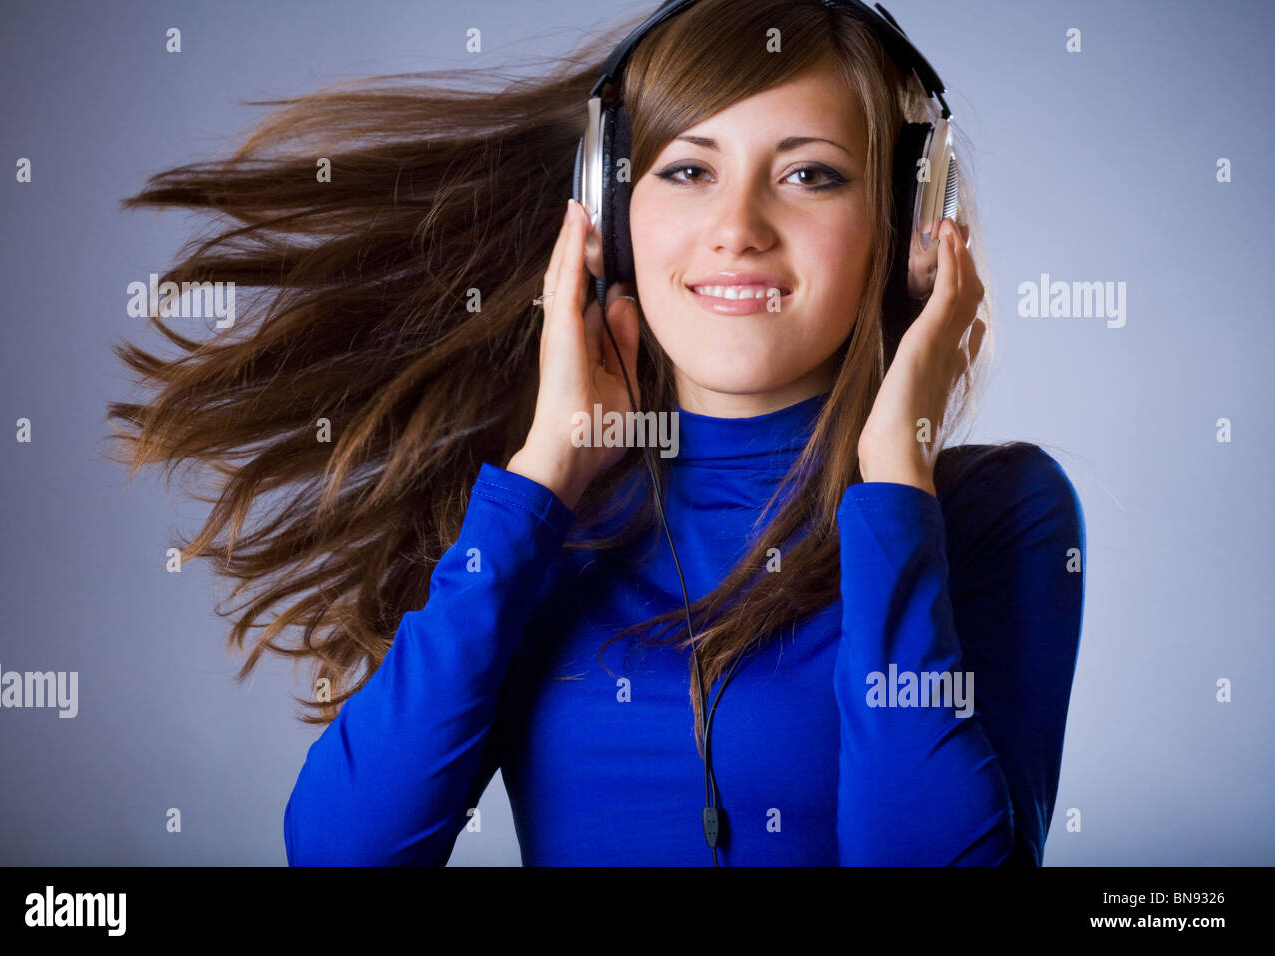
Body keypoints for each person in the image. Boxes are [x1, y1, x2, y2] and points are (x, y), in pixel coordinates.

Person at [106, 0, 1085, 866]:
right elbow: (341, 851)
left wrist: (893, 475)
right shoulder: (543, 523)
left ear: (912, 226)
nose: (736, 225)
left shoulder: (990, 511)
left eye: (810, 175)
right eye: (689, 168)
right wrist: (543, 472)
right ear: (612, 215)